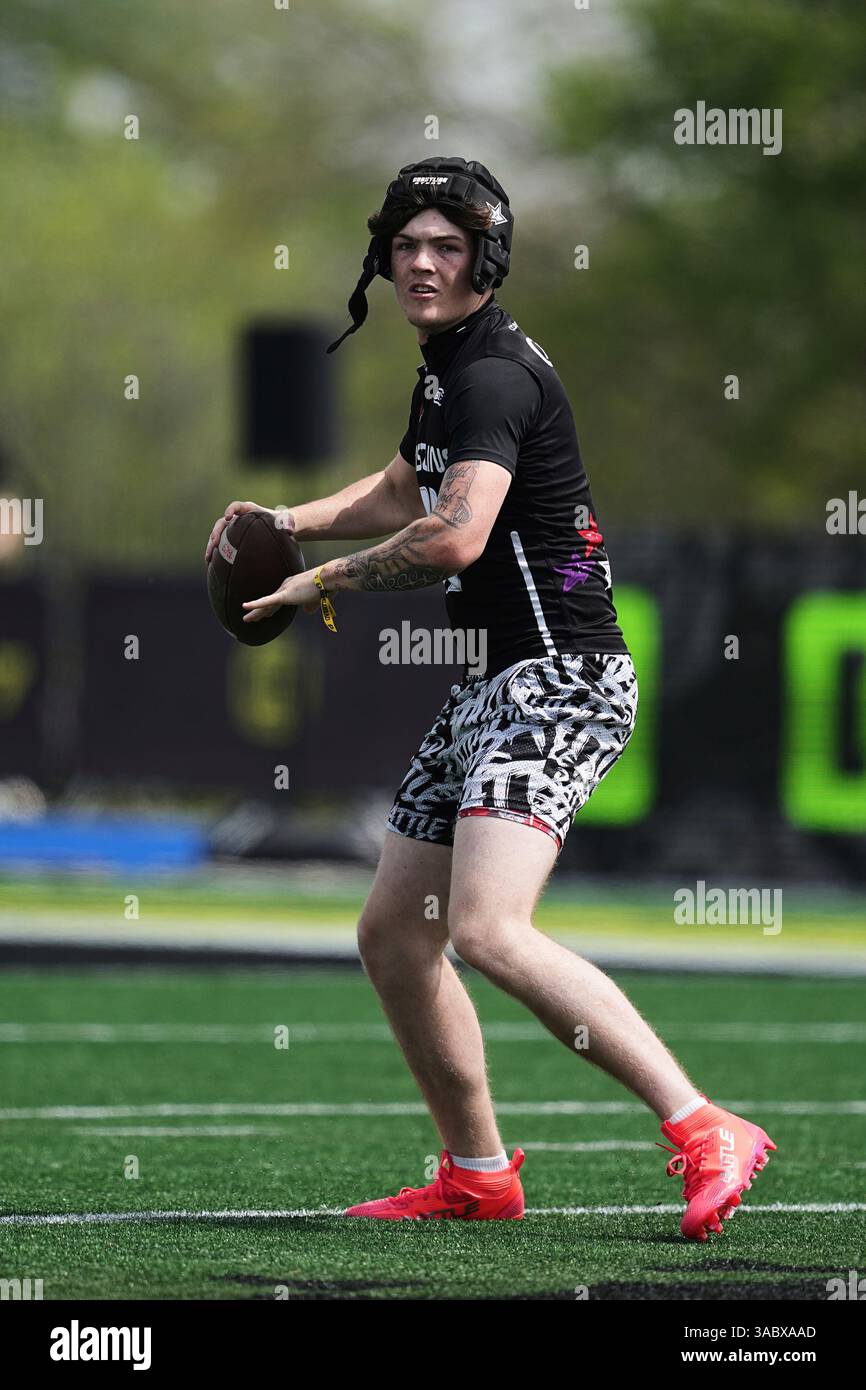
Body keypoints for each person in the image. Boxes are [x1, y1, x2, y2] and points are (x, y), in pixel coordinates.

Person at [205, 157, 775, 1239]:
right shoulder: (445, 365)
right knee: (393, 934)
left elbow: (455, 531)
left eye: (446, 246)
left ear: (485, 259)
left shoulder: (491, 375)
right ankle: (475, 1173)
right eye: (407, 245)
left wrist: (318, 577)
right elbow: (405, 483)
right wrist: (288, 520)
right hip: (493, 685)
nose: (422, 263)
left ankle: (702, 1123)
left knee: (485, 927)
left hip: (561, 677)